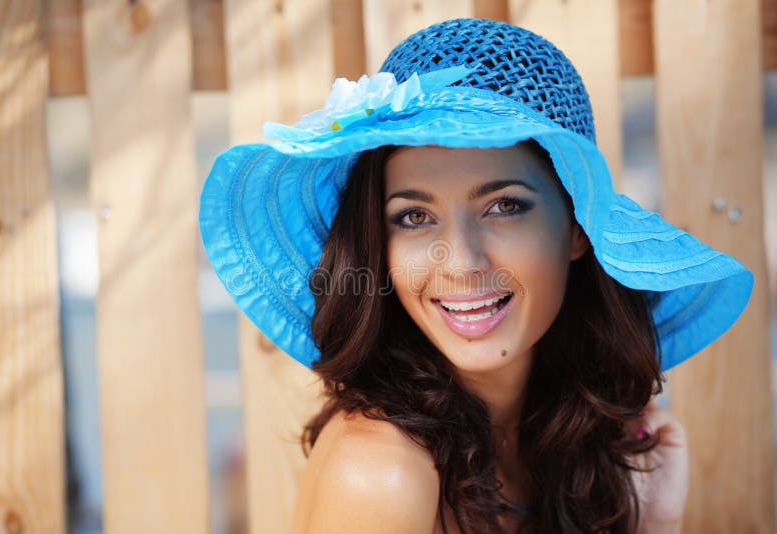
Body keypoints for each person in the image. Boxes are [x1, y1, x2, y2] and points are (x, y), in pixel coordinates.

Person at [199, 18, 753, 533]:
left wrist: (650, 521)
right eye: (414, 217)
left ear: (580, 229)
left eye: (505, 206)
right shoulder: (381, 470)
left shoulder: (555, 440)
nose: (461, 261)